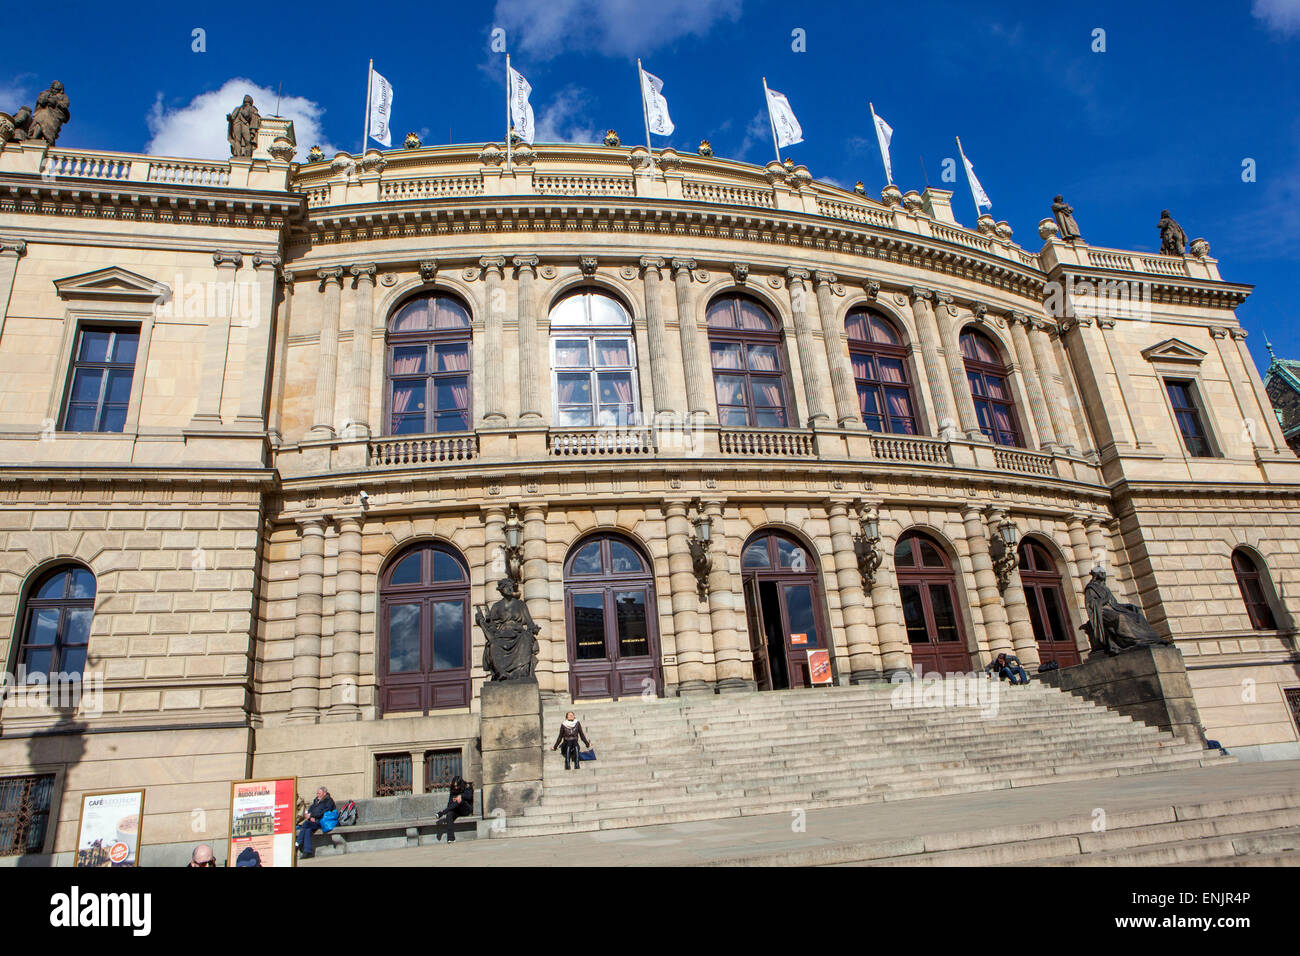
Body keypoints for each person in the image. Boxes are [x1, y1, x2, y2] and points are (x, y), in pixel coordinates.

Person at [296, 785, 335, 858]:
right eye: (317, 793)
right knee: (307, 829)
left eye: (319, 793)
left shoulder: (329, 801)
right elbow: (311, 809)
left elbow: (324, 812)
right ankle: (307, 851)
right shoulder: (316, 800)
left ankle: (298, 843)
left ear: (324, 793)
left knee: (306, 824)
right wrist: (308, 815)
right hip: (313, 821)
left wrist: (312, 816)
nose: (317, 795)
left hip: (322, 822)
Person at [435, 775, 474, 843]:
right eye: (454, 786)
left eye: (457, 786)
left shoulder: (467, 786)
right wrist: (453, 800)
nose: (456, 787)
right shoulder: (453, 790)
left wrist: (461, 796)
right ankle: (451, 838)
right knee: (449, 815)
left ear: (461, 784)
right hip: (456, 810)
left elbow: (469, 796)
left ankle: (441, 813)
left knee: (459, 800)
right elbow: (449, 804)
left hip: (466, 809)